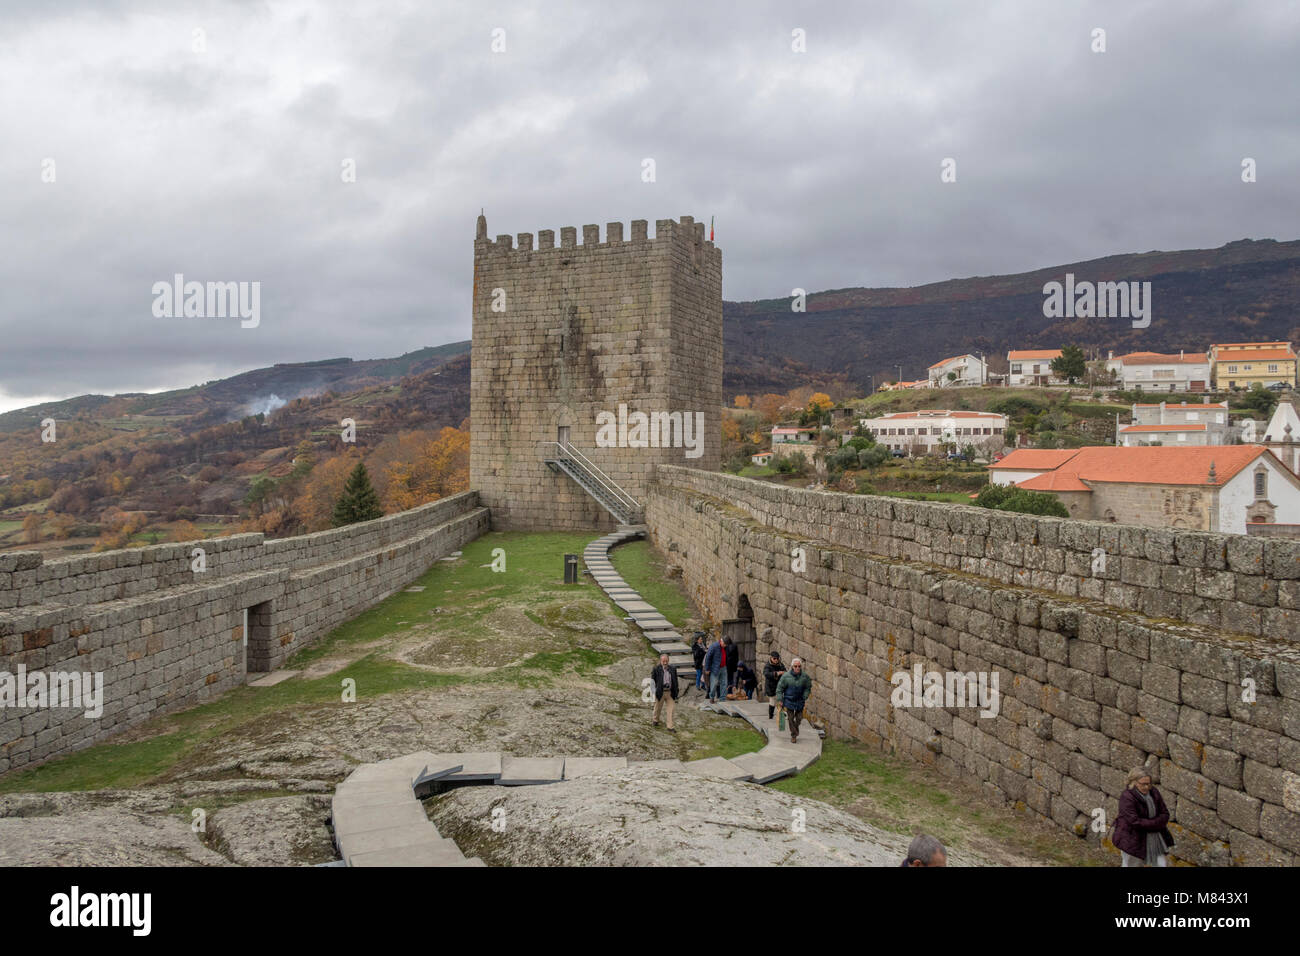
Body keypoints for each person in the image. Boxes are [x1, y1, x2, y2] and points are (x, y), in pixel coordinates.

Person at [1112, 768, 1173, 867]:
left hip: (1155, 837)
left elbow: (1165, 814)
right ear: (1134, 782)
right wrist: (1157, 823)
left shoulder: (1154, 792)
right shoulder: (1127, 797)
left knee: (1161, 864)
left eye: (1148, 783)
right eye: (1143, 784)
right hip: (1132, 838)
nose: (1146, 787)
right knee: (1132, 865)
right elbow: (1135, 822)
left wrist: (1153, 823)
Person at [774, 657, 812, 743]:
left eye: (799, 666)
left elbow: (808, 687)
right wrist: (780, 699)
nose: (797, 668)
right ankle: (794, 735)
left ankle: (795, 729)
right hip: (789, 701)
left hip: (800, 700)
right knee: (790, 719)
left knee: (799, 718)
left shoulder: (805, 677)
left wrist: (805, 695)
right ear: (792, 667)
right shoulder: (785, 676)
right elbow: (779, 688)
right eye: (795, 666)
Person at [650, 653, 679, 732]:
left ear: (668, 660)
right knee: (657, 708)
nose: (665, 663)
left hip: (670, 692)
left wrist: (676, 691)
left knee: (671, 710)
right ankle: (655, 720)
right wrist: (653, 692)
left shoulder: (673, 668)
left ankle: (670, 727)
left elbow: (675, 681)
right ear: (660, 661)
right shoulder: (656, 669)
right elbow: (652, 681)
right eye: (663, 661)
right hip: (660, 692)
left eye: (666, 661)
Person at [703, 635, 727, 702]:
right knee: (714, 683)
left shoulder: (725, 647)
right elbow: (708, 657)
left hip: (724, 667)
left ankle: (722, 698)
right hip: (715, 668)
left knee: (724, 683)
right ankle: (712, 697)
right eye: (724, 644)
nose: (725, 646)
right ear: (721, 641)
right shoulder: (714, 646)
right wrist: (707, 669)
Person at [763, 651, 786, 720]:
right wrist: (776, 673)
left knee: (780, 700)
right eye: (774, 658)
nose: (776, 660)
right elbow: (766, 674)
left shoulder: (781, 664)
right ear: (771, 658)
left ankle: (781, 715)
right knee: (772, 701)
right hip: (770, 686)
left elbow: (785, 670)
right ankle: (771, 716)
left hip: (779, 686)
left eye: (777, 658)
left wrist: (784, 673)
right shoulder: (767, 666)